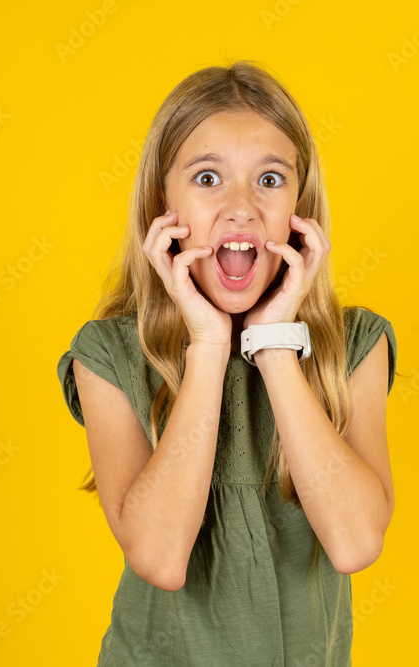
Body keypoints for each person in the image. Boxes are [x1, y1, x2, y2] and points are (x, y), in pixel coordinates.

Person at [57, 59, 398, 666]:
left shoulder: (354, 344)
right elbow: (160, 558)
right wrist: (208, 347)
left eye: (269, 180)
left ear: (301, 208)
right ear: (163, 203)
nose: (241, 208)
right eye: (208, 178)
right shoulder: (107, 354)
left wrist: (274, 345)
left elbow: (353, 542)